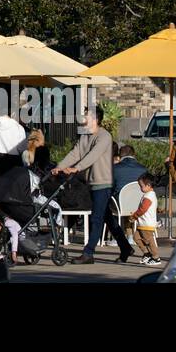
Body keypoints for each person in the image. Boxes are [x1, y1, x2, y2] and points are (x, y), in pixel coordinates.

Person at [53, 104, 132, 264]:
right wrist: (59, 166)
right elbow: (76, 152)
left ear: (96, 119)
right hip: (92, 183)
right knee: (106, 217)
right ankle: (125, 247)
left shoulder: (104, 136)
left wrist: (76, 168)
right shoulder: (85, 135)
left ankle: (88, 253)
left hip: (103, 182)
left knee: (96, 218)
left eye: (87, 115)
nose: (84, 118)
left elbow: (92, 155)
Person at [127, 172, 162, 266]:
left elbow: (143, 209)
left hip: (147, 224)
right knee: (136, 238)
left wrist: (134, 216)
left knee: (149, 241)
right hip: (142, 223)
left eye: (141, 186)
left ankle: (156, 257)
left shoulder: (149, 196)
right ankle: (147, 253)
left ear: (148, 185)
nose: (140, 188)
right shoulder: (148, 195)